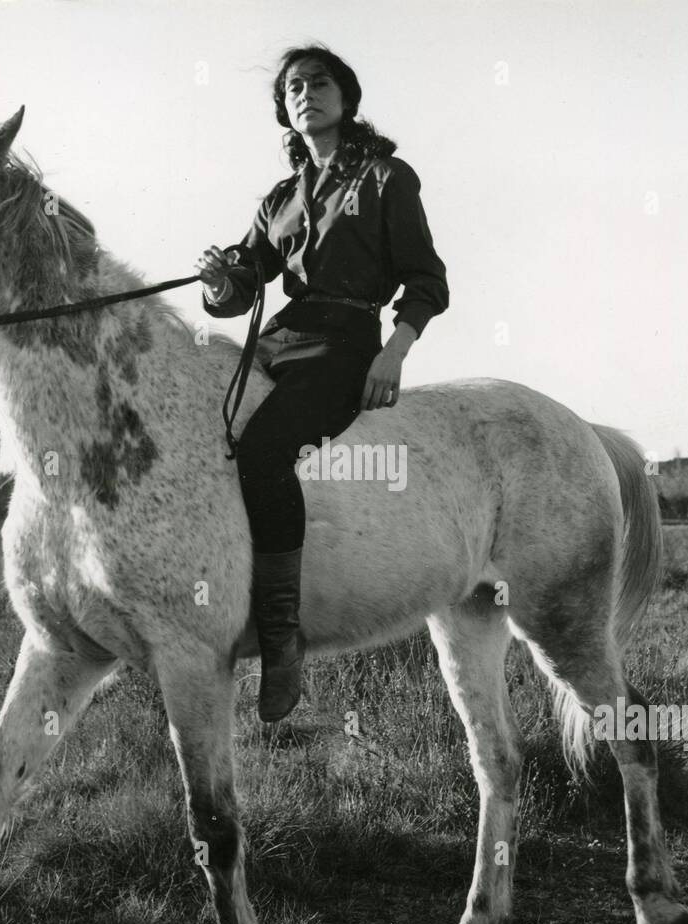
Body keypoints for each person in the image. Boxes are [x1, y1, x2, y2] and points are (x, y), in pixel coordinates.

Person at [196, 45, 449, 722]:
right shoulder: (279, 198)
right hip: (278, 339)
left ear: (347, 96)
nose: (307, 93)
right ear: (285, 107)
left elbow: (427, 279)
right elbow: (243, 285)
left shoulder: (387, 176)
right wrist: (222, 277)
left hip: (343, 346)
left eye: (320, 82)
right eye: (294, 87)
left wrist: (394, 352)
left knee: (262, 451)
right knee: (201, 431)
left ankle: (281, 637)